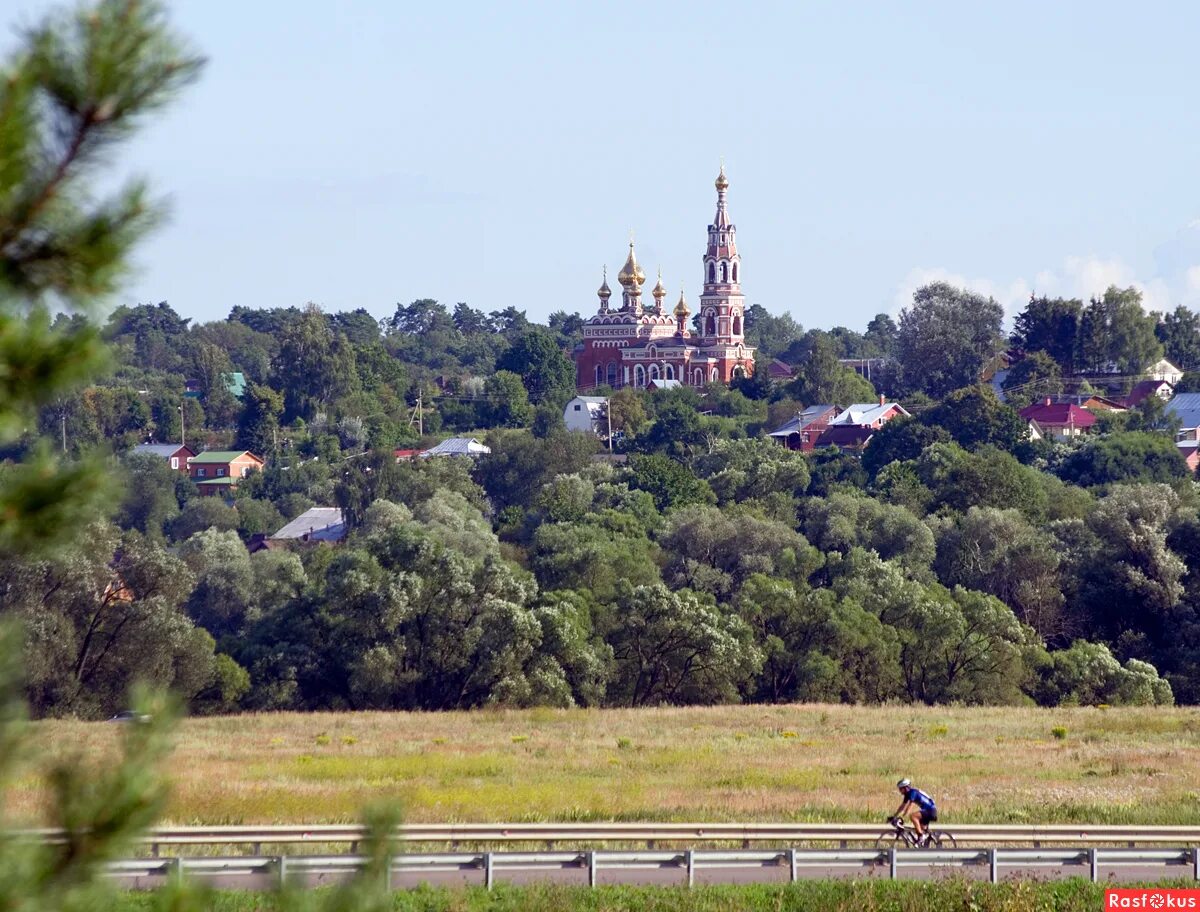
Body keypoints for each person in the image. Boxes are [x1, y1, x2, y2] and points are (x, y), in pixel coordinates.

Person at [892, 778, 937, 843]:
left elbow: (910, 805)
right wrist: (894, 816)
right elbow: (902, 806)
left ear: (906, 788)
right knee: (920, 828)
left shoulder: (913, 792)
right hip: (928, 810)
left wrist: (903, 816)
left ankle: (920, 836)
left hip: (930, 810)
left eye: (900, 789)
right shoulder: (907, 794)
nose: (899, 791)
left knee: (913, 816)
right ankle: (924, 843)